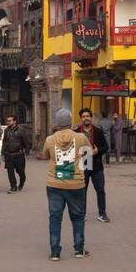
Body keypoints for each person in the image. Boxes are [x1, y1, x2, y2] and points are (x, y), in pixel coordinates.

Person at [44, 108, 90, 261]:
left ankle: (55, 252)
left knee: (55, 218)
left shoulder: (49, 140)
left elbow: (45, 155)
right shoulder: (81, 137)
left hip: (55, 184)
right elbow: (88, 157)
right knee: (77, 217)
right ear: (71, 122)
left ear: (56, 123)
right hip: (76, 184)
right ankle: (78, 249)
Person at [76, 108, 110, 222]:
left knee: (100, 190)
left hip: (96, 164)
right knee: (82, 191)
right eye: (83, 116)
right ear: (81, 118)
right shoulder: (76, 132)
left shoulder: (98, 131)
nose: (86, 118)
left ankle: (102, 213)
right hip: (83, 164)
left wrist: (97, 151)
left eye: (87, 116)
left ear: (91, 118)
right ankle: (82, 214)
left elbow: (106, 147)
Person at [1, 115, 29, 192]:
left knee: (20, 172)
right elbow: (4, 142)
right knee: (10, 172)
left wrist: (27, 153)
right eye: (7, 121)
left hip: (19, 155)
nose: (8, 122)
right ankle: (13, 186)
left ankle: (22, 182)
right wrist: (2, 153)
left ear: (14, 121)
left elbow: (26, 142)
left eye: (10, 121)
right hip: (8, 154)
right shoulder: (6, 130)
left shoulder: (21, 130)